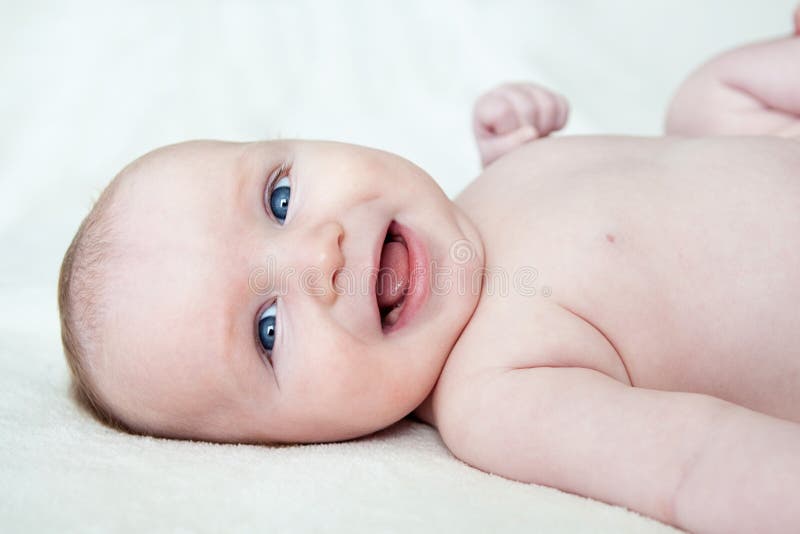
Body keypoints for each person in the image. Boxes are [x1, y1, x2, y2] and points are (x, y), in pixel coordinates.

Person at [58, 8, 800, 533]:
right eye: (269, 329)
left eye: (280, 198)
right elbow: (694, 464)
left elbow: (598, 224)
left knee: (705, 98)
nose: (321, 255)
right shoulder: (497, 398)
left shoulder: (481, 195)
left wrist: (523, 157)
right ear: (294, 444)